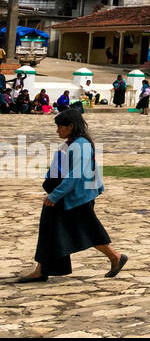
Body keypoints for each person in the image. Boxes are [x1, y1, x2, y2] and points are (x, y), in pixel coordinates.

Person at [15, 109, 127, 282]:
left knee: (87, 231)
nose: (57, 130)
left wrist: (55, 195)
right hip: (73, 195)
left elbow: (75, 174)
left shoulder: (79, 145)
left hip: (77, 197)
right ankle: (42, 269)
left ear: (71, 126)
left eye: (60, 127)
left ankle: (115, 257)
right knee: (53, 228)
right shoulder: (75, 143)